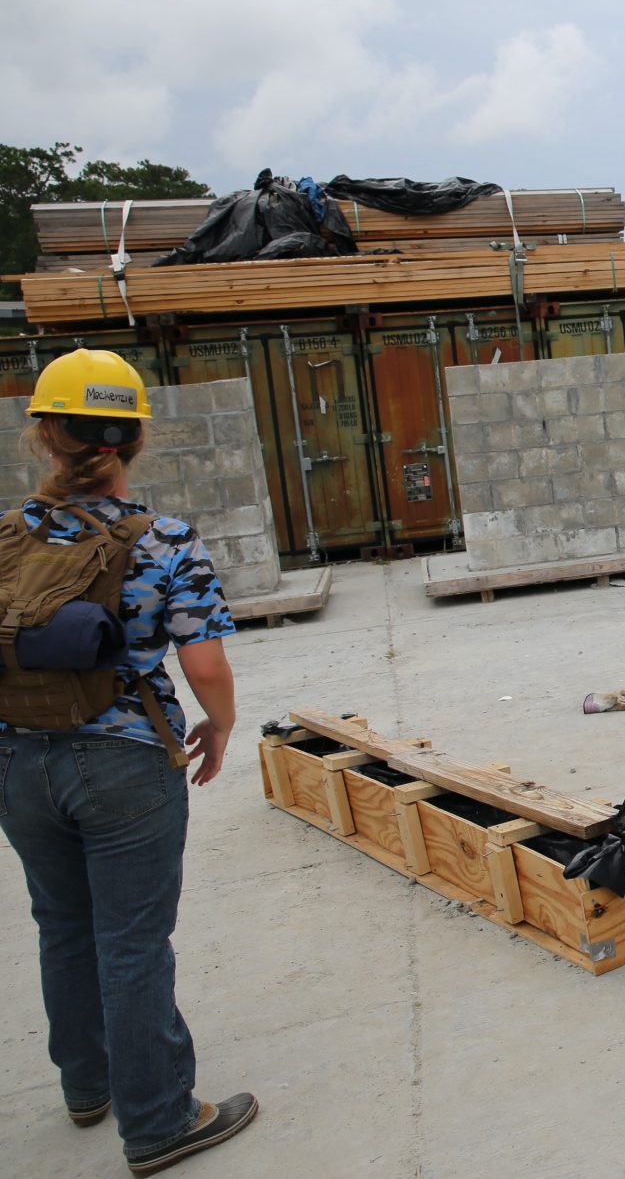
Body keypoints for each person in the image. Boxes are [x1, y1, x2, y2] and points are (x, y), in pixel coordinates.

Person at [0, 350, 257, 1176]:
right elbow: (205, 664)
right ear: (133, 437)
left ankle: (88, 1083)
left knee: (62, 922)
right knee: (133, 940)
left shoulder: (6, 536)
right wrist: (218, 727)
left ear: (46, 434)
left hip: (18, 758)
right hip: (123, 761)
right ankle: (158, 1120)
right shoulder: (164, 539)